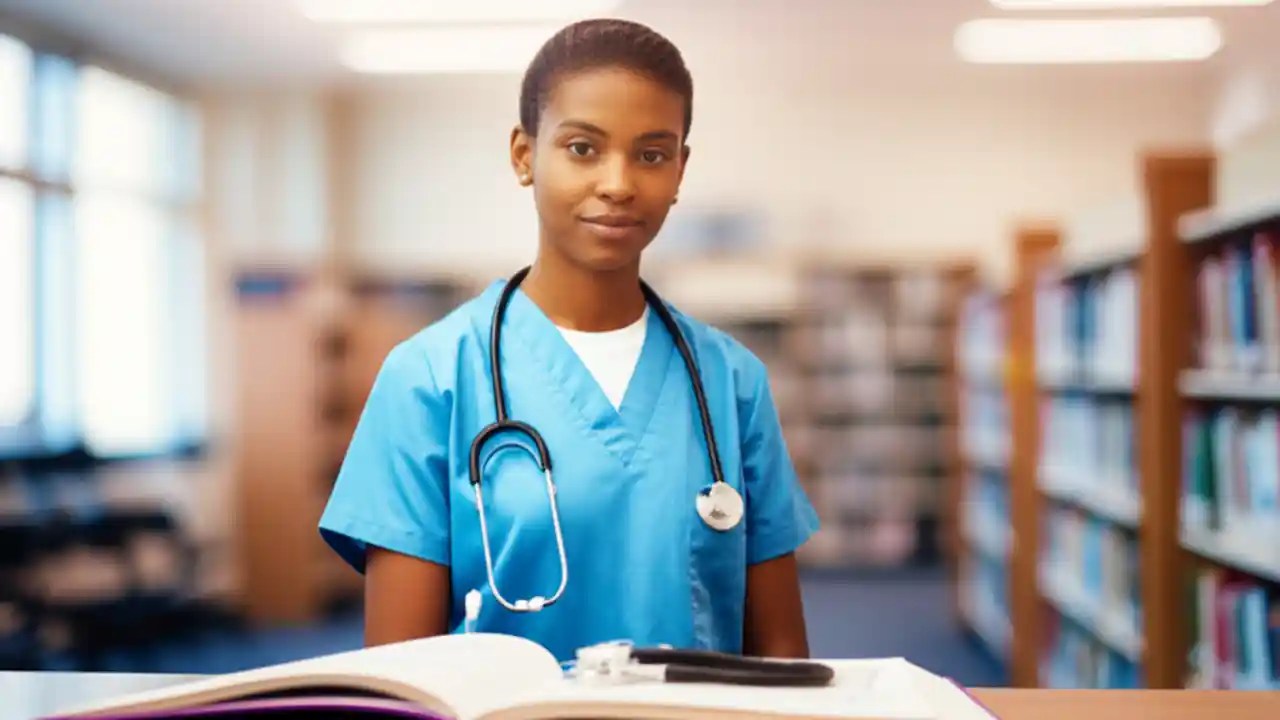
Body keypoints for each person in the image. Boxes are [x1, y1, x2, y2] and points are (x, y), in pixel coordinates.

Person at [318, 17, 819, 663]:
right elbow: (401, 673)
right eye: (583, 148)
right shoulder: (430, 377)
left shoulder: (731, 381)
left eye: (652, 153)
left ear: (680, 169)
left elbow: (782, 654)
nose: (618, 182)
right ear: (525, 155)